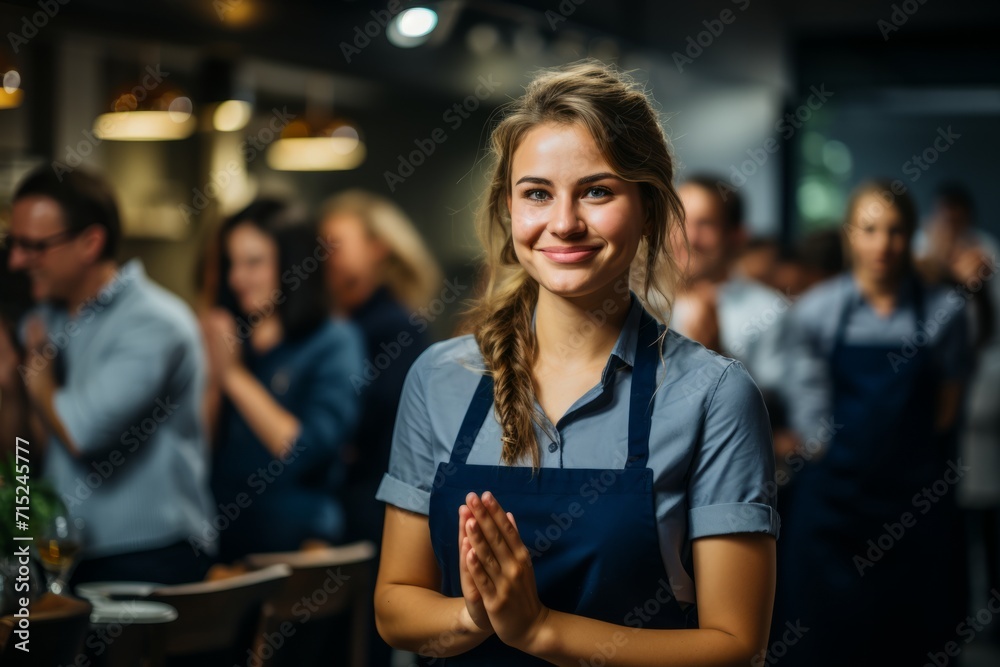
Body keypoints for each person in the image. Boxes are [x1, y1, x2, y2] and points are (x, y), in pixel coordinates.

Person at [373, 60, 779, 666]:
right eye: (537, 194)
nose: (563, 224)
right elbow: (395, 604)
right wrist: (474, 614)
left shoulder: (715, 396)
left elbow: (735, 646)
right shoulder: (438, 378)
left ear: (648, 209)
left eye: (597, 191)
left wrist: (539, 629)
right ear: (509, 210)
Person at [775, 180, 972, 665]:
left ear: (911, 235)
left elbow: (947, 410)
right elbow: (810, 412)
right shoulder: (817, 312)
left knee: (918, 641)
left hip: (915, 506)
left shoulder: (946, 312)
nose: (882, 244)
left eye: (895, 230)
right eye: (869, 229)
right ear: (849, 236)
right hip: (833, 510)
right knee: (821, 641)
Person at [1, 167, 216, 585]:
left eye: (34, 246)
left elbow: (84, 434)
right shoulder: (43, 320)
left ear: (90, 243)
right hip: (64, 555)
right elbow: (26, 457)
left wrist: (39, 383)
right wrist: (10, 387)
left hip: (151, 558)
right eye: (14, 244)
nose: (16, 261)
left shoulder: (157, 322)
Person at [202, 200, 365, 563]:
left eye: (253, 262)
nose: (236, 278)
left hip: (298, 548)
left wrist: (233, 376)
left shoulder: (334, 341)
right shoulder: (233, 339)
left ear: (293, 264)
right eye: (232, 263)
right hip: (222, 543)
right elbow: (201, 447)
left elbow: (304, 449)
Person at [319, 189, 441, 547]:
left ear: (377, 247)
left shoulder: (395, 327)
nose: (324, 258)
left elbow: (369, 422)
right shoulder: (340, 324)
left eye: (336, 245)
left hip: (374, 510)